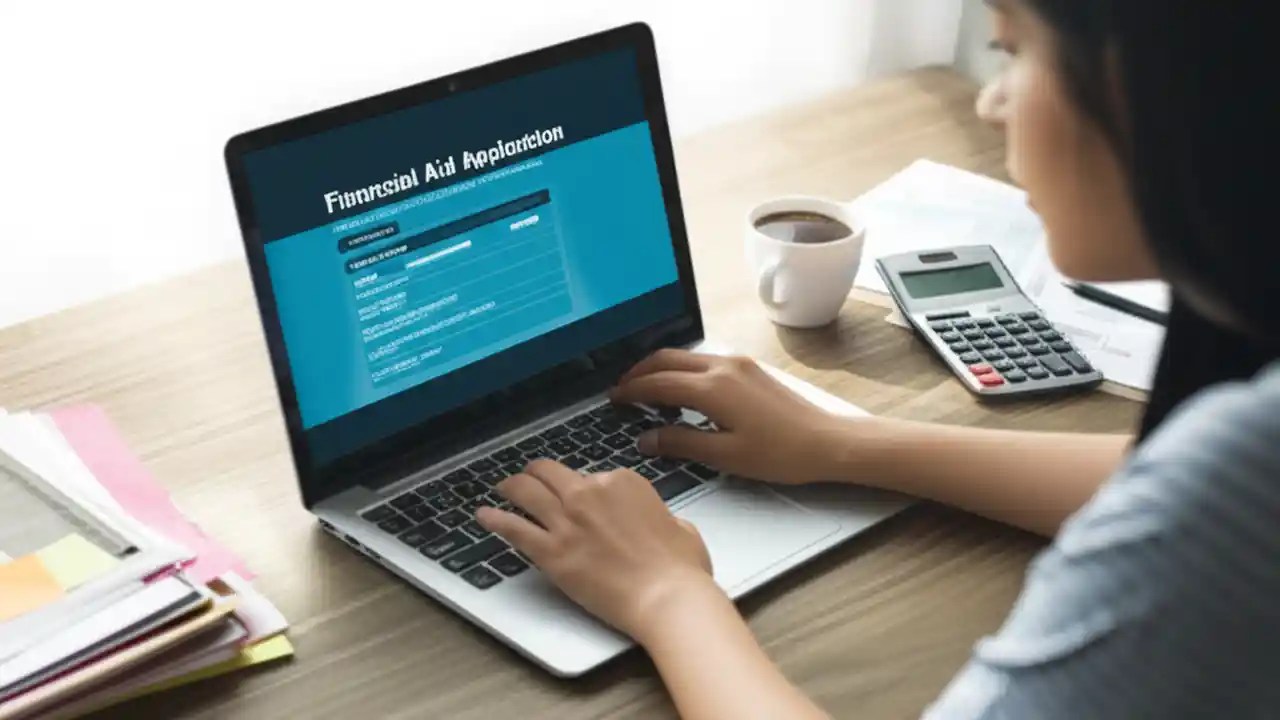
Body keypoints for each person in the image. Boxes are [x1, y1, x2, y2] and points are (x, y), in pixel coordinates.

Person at [475, 0, 1280, 716]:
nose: (991, 101)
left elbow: (1200, 501)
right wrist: (844, 445)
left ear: (1163, 79)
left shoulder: (1219, 508)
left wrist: (667, 595)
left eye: (1011, 50)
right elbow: (1158, 474)